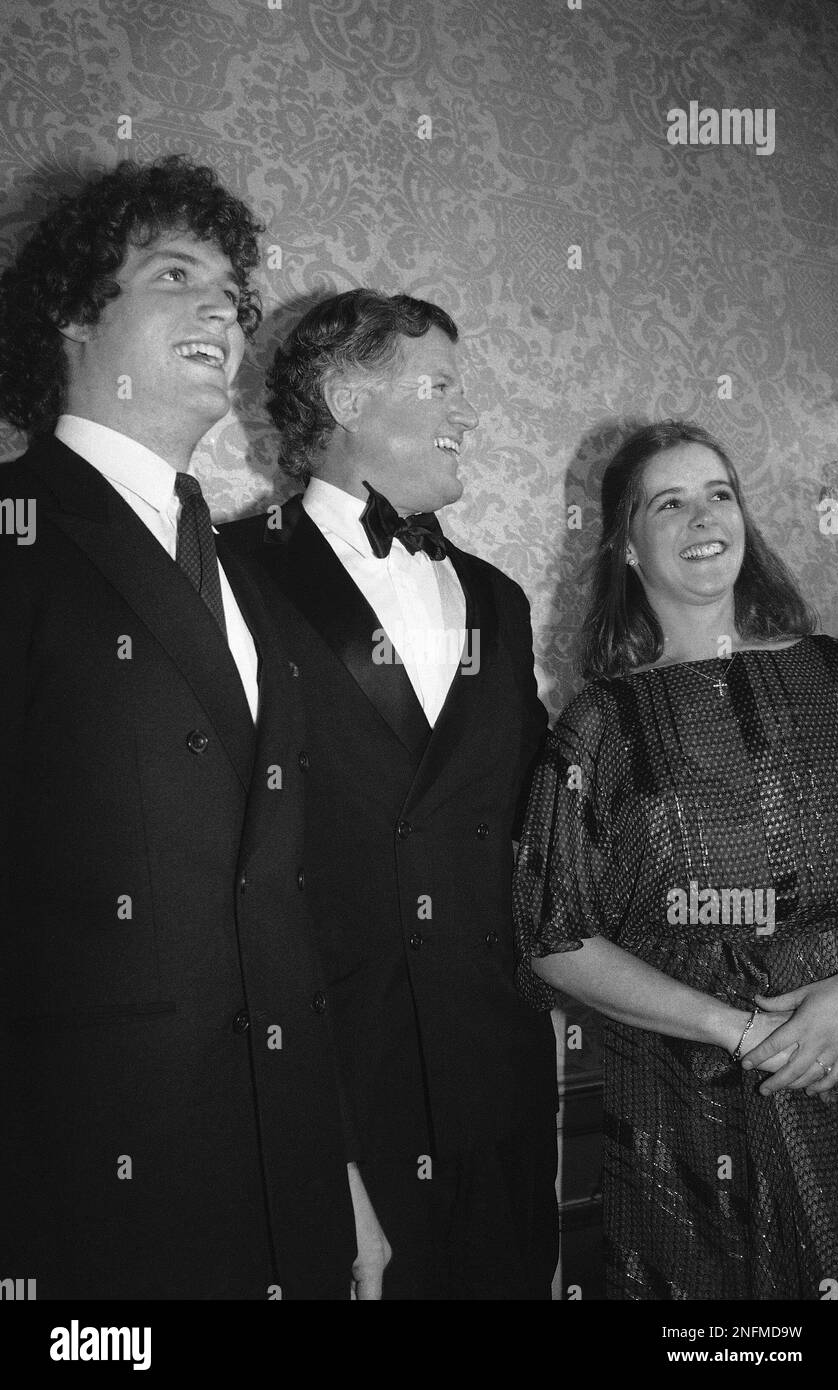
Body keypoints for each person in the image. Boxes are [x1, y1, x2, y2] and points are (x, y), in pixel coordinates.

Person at [0, 155, 388, 1299]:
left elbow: (278, 902)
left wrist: (338, 1173)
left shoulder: (244, 579)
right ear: (75, 313)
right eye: (178, 275)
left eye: (234, 291)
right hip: (90, 1210)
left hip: (288, 1192)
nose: (224, 307)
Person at [223, 289, 558, 1299]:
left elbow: (544, 825)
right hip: (335, 1106)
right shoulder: (231, 573)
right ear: (346, 396)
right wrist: (321, 1145)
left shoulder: (499, 600)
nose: (468, 415)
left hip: (499, 1101)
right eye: (444, 386)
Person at [514, 419, 838, 1301]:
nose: (704, 518)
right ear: (627, 545)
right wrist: (740, 1032)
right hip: (687, 1102)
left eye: (720, 494)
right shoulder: (598, 726)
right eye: (670, 502)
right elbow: (555, 935)